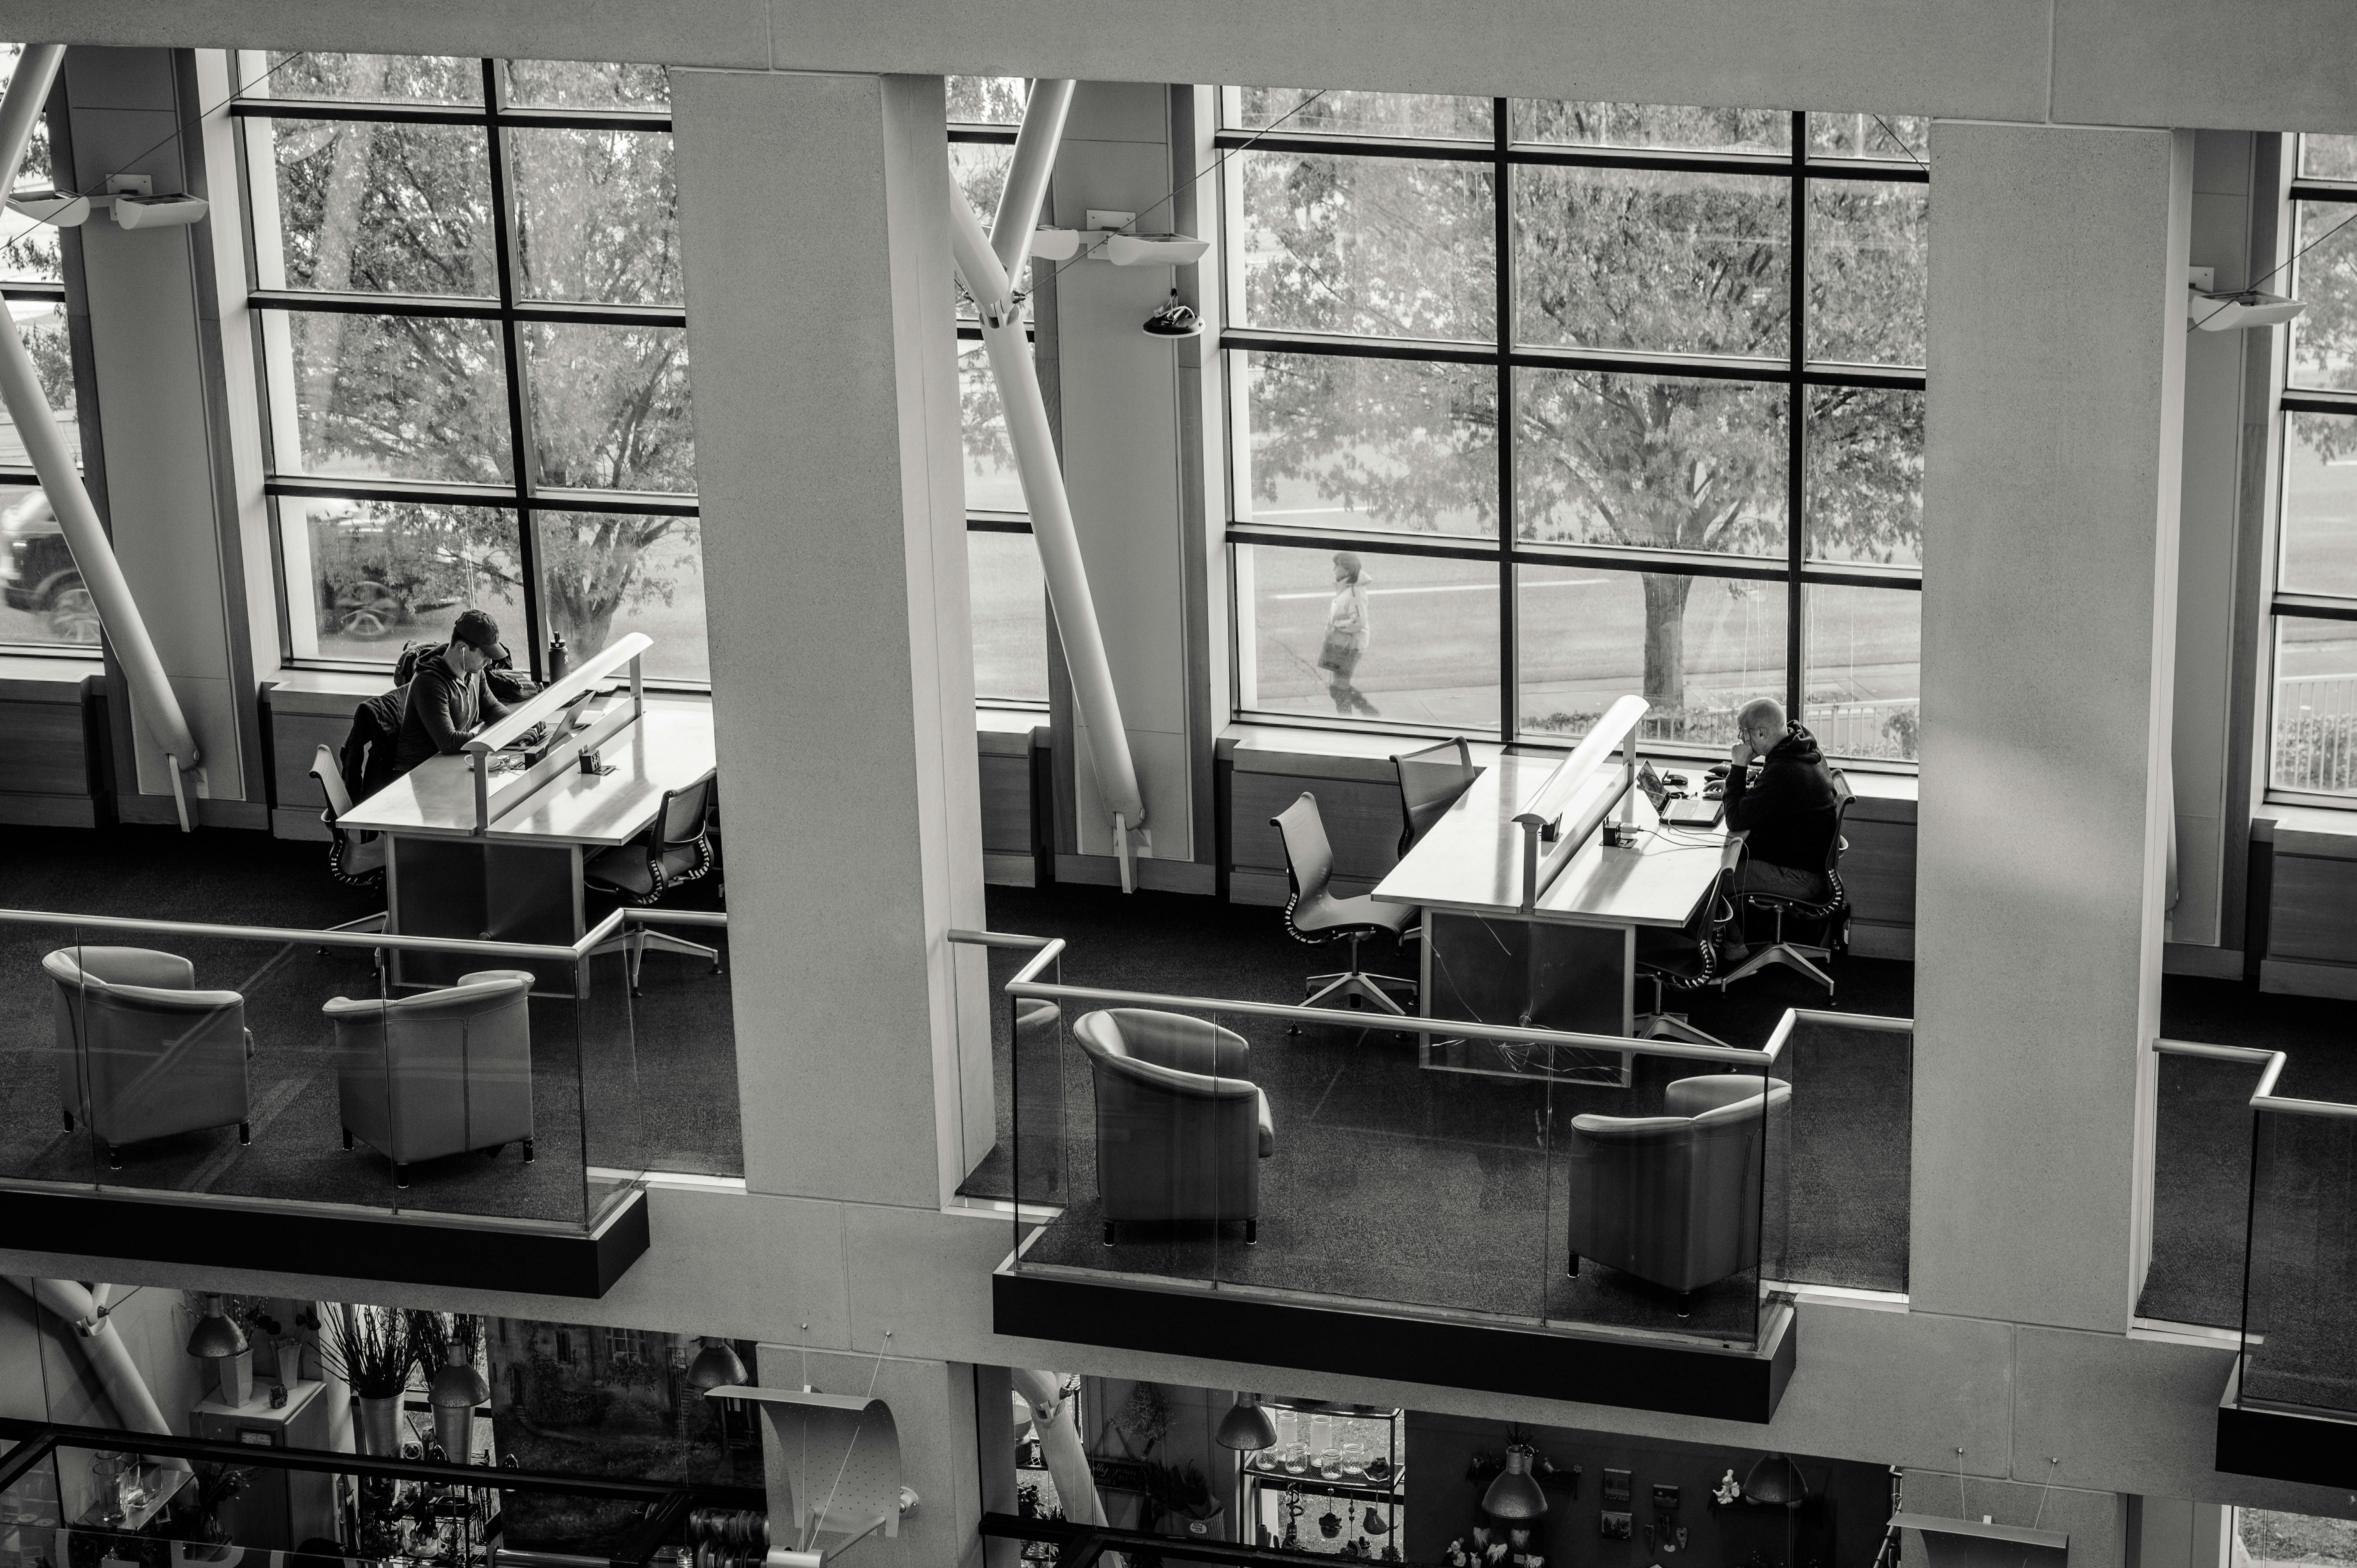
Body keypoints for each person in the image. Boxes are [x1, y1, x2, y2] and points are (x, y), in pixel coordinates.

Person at [1721, 696, 1840, 900]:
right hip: (1806, 864)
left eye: (1743, 731)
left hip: (1800, 877)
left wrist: (1739, 766)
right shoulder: (1801, 747)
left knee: (1715, 882)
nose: (1740, 737)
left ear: (1761, 733)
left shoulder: (1784, 770)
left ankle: (1721, 933)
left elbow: (1735, 820)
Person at [390, 608, 519, 776]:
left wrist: (516, 726)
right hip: (419, 774)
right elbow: (449, 742)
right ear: (462, 648)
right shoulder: (429, 682)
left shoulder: (473, 672)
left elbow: (491, 707)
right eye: (484, 655)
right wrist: (500, 735)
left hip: (449, 767)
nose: (489, 662)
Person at [1317, 552, 1378, 717]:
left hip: (1350, 646)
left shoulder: (1355, 593)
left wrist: (1336, 625)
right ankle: (1368, 712)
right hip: (1342, 644)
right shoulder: (1348, 589)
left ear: (1347, 570)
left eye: (1337, 566)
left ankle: (1348, 721)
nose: (1334, 570)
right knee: (1337, 687)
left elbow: (1358, 621)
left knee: (1338, 688)